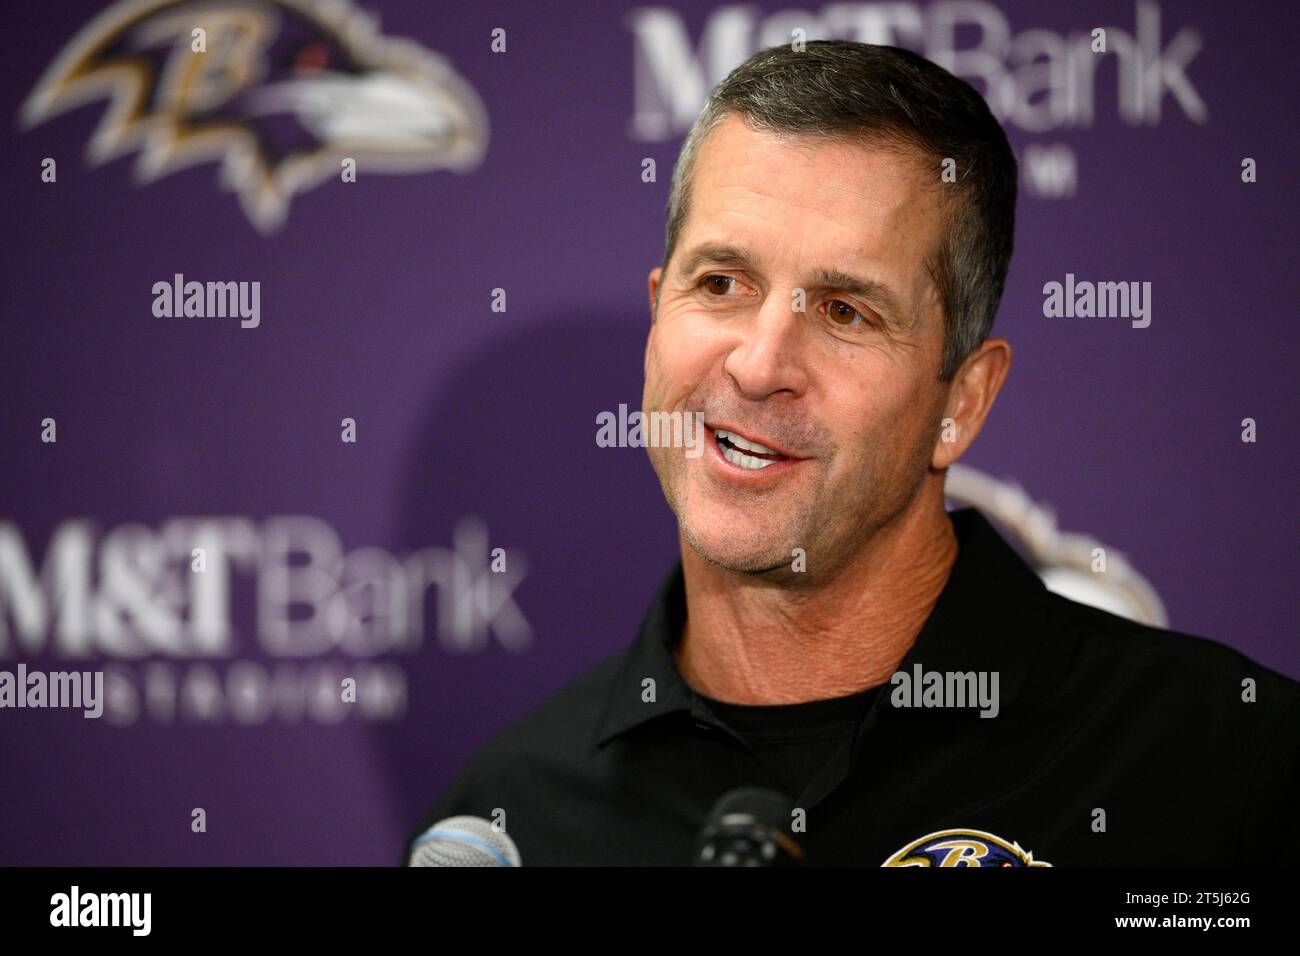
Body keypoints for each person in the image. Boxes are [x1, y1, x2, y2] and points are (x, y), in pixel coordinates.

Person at [405, 40, 1298, 866]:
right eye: (721, 283)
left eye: (844, 312)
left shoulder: (1222, 768)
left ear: (962, 401)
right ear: (657, 312)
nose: (760, 366)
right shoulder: (513, 818)